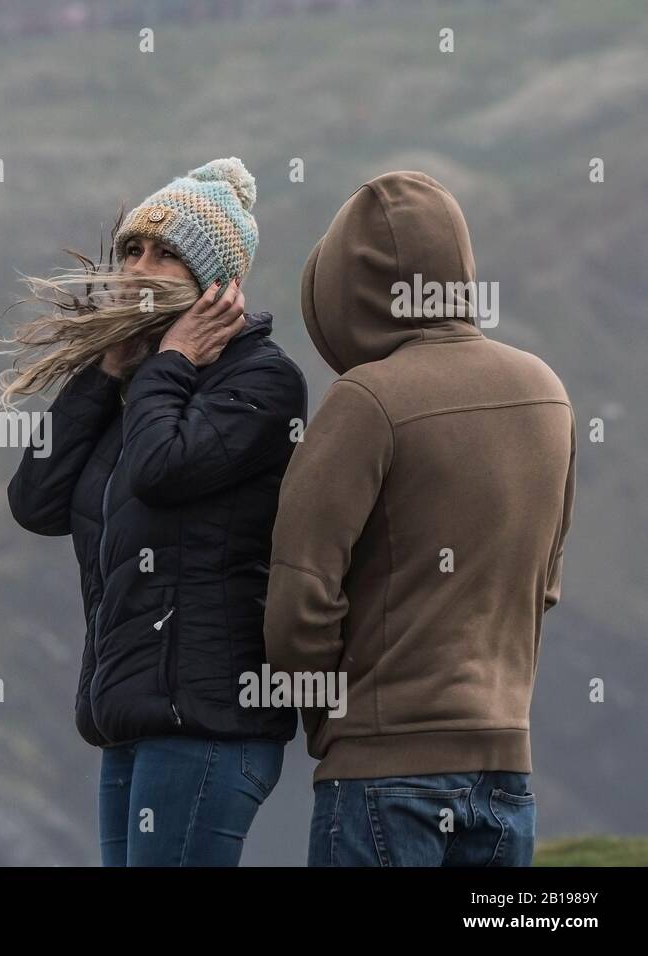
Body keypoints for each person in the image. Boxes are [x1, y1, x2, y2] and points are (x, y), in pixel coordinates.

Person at [264, 170, 577, 867]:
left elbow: (298, 604)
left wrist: (335, 724)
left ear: (347, 288)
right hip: (506, 770)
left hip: (381, 773)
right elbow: (543, 585)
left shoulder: (366, 401)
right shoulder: (547, 395)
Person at [2, 158, 307, 865]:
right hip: (130, 719)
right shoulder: (136, 389)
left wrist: (166, 364)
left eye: (167, 254)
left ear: (217, 282)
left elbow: (164, 472)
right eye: (132, 250)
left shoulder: (261, 380)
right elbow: (36, 502)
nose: (139, 268)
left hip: (206, 725)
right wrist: (110, 370)